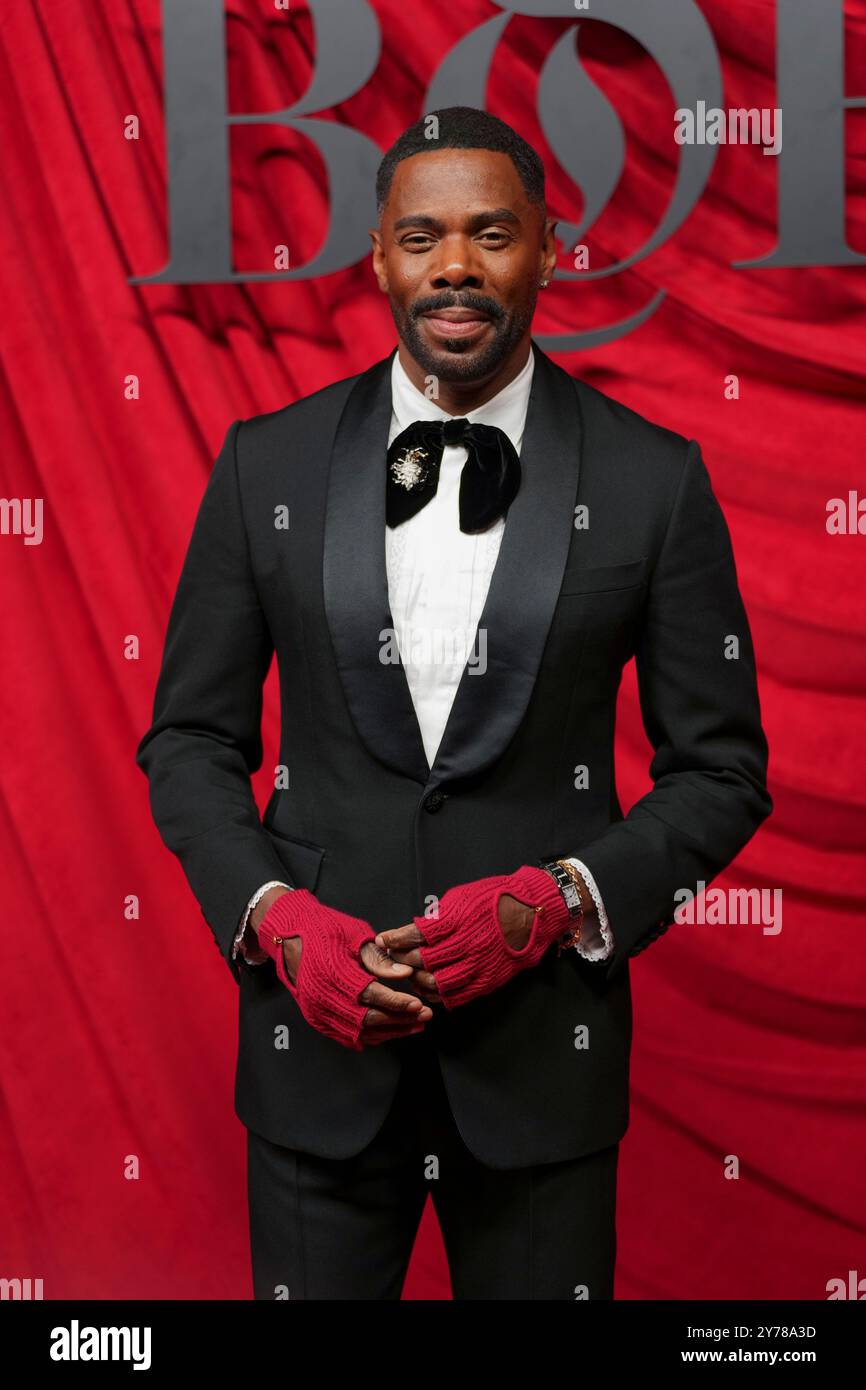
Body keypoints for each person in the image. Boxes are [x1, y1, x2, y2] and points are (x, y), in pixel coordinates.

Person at [136, 105, 772, 1300]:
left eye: (491, 233)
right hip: (313, 1066)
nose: (455, 267)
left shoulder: (653, 481)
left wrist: (556, 899)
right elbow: (188, 738)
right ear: (378, 257)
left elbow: (723, 769)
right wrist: (276, 916)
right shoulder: (261, 465)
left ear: (545, 246)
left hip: (542, 1075)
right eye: (421, 237)